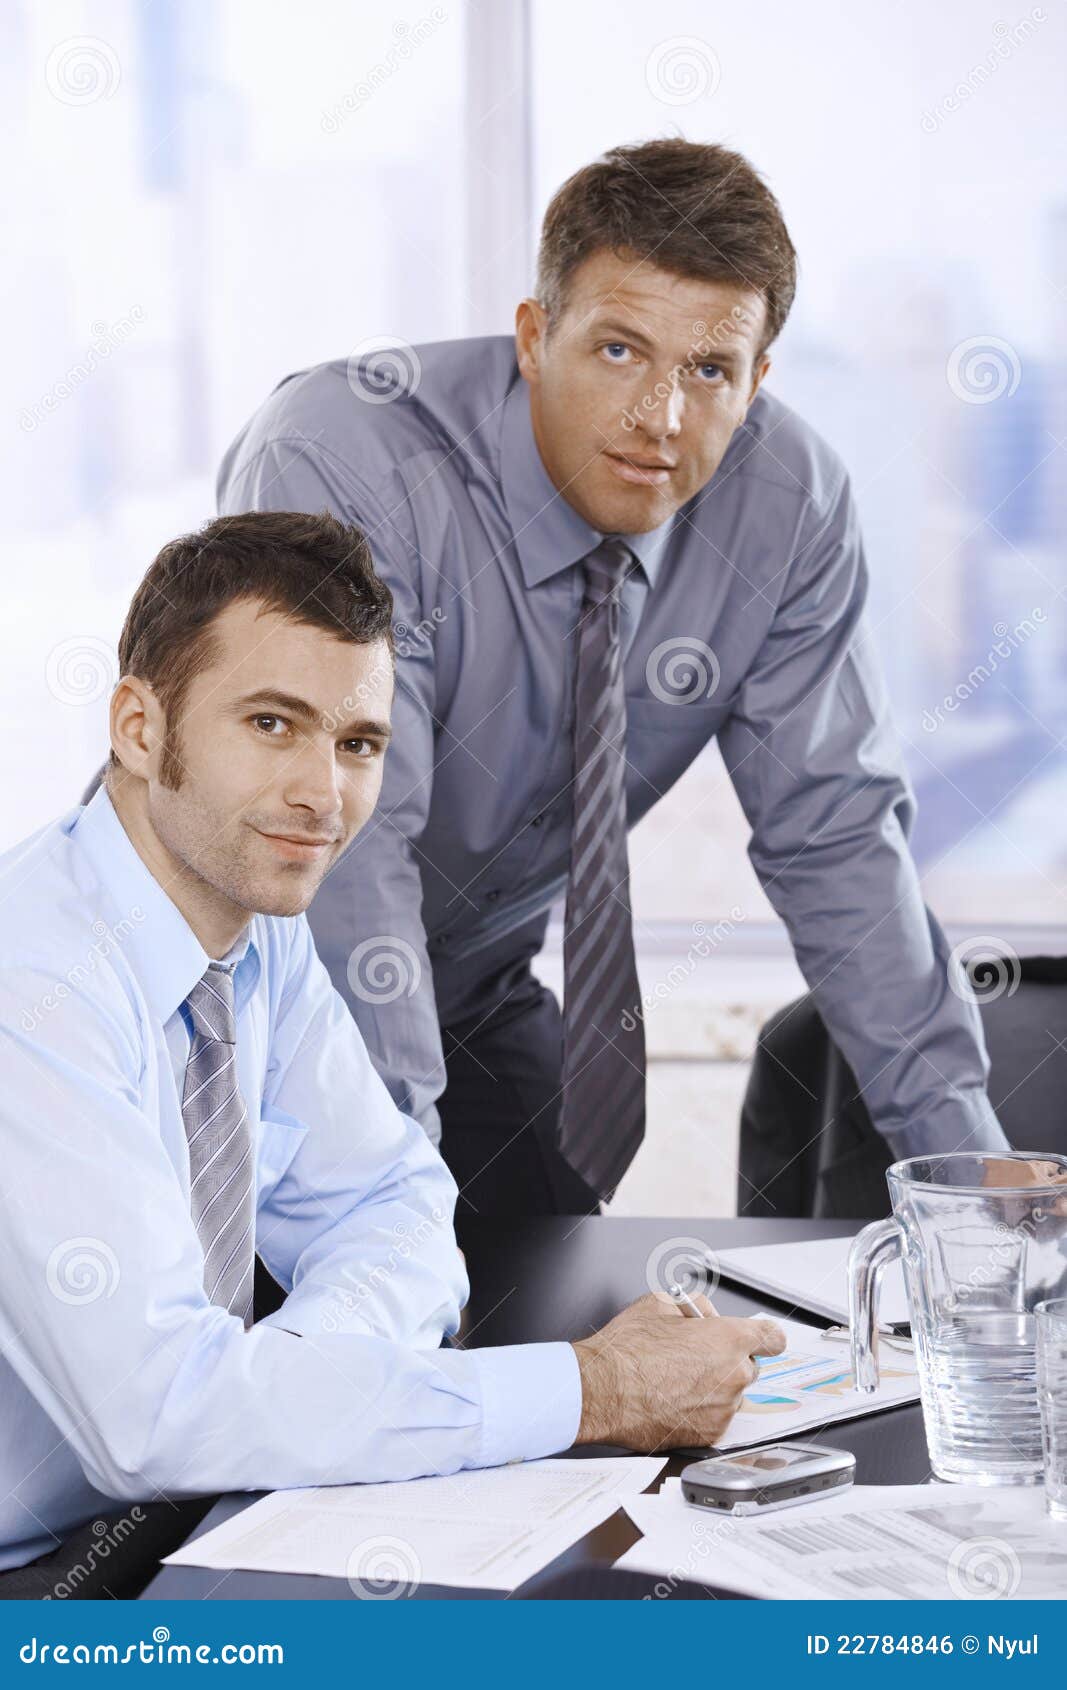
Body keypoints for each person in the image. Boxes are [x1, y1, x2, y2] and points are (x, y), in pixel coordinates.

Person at [217, 138, 1007, 1220]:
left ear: (757, 377)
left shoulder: (783, 508)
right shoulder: (348, 462)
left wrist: (975, 1190)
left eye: (708, 369)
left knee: (559, 1285)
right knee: (309, 1343)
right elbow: (345, 853)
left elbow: (834, 834)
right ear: (535, 337)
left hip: (471, 995)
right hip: (226, 1002)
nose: (661, 419)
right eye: (621, 350)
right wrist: (391, 1216)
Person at [0, 510, 784, 1581]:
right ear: (139, 727)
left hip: (167, 1520)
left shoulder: (251, 933)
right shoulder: (35, 984)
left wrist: (297, 1386)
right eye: (271, 724)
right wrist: (590, 1390)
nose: (323, 795)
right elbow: (161, 1414)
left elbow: (397, 1204)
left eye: (356, 742)